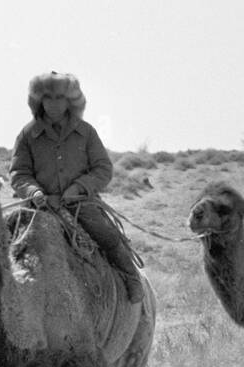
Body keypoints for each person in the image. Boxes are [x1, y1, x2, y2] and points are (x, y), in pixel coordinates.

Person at [9, 72, 144, 303]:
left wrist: (79, 188)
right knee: (0, 239)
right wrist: (34, 192)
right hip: (38, 207)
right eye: (48, 97)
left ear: (70, 100)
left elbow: (103, 169)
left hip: (81, 205)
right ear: (38, 100)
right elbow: (19, 173)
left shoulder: (86, 132)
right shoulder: (27, 135)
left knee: (109, 237)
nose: (53, 104)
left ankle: (132, 279)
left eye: (60, 97)